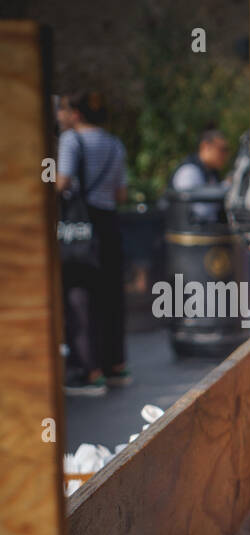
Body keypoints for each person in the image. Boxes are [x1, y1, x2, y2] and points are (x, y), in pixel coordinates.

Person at [56, 90, 128, 395]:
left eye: (62, 109)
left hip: (80, 228)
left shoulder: (71, 141)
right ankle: (115, 366)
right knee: (110, 297)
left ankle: (88, 372)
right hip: (109, 226)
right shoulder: (114, 144)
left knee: (80, 297)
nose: (59, 115)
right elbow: (121, 194)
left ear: (75, 114)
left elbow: (62, 182)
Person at [169, 127, 231, 222]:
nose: (226, 155)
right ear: (205, 146)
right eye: (223, 149)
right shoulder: (189, 171)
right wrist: (226, 188)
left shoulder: (211, 172)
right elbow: (201, 211)